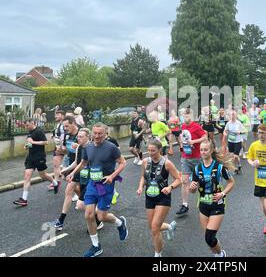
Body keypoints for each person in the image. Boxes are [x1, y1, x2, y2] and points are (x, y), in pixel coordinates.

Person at [73, 123, 128, 257]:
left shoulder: (111, 148)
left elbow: (123, 162)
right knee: (88, 215)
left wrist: (112, 176)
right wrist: (72, 173)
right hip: (92, 184)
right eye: (95, 133)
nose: (97, 136)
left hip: (106, 185)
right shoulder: (88, 147)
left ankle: (120, 223)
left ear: (105, 134)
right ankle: (96, 246)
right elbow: (83, 163)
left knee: (101, 216)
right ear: (92, 133)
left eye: (100, 134)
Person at [189, 140, 235, 257]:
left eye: (205, 150)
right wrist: (192, 187)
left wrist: (223, 193)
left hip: (217, 204)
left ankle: (221, 254)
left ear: (211, 151)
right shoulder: (197, 169)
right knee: (208, 239)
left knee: (209, 237)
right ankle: (217, 254)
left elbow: (231, 182)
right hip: (203, 205)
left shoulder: (219, 168)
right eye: (201, 150)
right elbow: (193, 190)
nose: (203, 152)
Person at [136, 140, 182, 257]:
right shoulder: (145, 161)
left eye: (153, 151)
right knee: (152, 226)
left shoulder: (167, 163)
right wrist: (140, 187)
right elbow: (143, 177)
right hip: (149, 197)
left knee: (155, 228)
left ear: (160, 150)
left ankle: (158, 254)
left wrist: (170, 187)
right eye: (149, 150)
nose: (150, 153)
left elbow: (178, 179)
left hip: (163, 198)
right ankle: (169, 227)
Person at [13, 118, 60, 206]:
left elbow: (45, 142)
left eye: (27, 125)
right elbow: (31, 143)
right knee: (27, 176)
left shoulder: (39, 131)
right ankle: (24, 199)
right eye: (25, 125)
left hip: (39, 157)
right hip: (31, 157)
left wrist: (33, 142)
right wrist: (28, 145)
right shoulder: (30, 131)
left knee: (43, 175)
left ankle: (55, 183)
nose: (26, 127)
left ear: (32, 123)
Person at [177, 108, 208, 216]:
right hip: (186, 157)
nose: (184, 117)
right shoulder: (183, 126)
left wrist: (193, 141)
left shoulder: (196, 126)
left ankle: (204, 200)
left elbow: (205, 137)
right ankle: (184, 205)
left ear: (191, 115)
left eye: (186, 115)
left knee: (200, 181)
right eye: (182, 115)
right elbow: (183, 136)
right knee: (184, 181)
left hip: (197, 158)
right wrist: (182, 142)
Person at [223, 110, 245, 175]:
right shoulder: (228, 123)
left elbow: (244, 131)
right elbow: (225, 130)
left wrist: (240, 132)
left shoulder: (239, 123)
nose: (232, 116)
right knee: (233, 156)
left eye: (234, 115)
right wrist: (225, 133)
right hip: (230, 141)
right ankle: (238, 166)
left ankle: (235, 168)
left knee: (235, 156)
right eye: (231, 115)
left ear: (236, 116)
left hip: (238, 141)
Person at [49, 110, 66, 191]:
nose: (55, 116)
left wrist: (63, 145)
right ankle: (56, 181)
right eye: (56, 115)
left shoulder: (64, 124)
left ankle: (75, 188)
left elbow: (66, 135)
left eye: (58, 115)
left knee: (67, 166)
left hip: (63, 147)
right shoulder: (58, 124)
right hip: (58, 146)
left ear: (63, 116)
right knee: (56, 164)